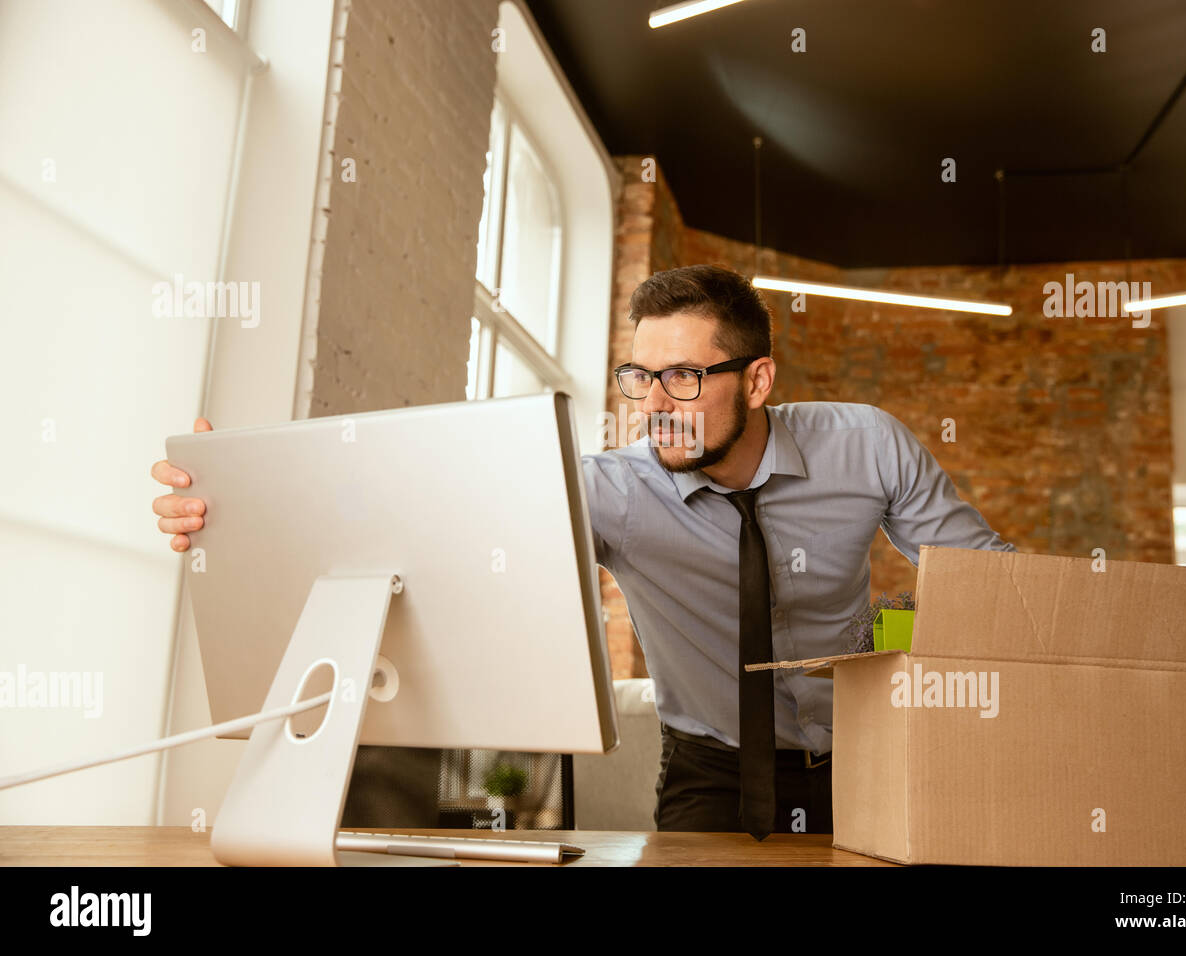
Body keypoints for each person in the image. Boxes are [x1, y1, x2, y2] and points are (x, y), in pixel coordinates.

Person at [151, 263, 1016, 839]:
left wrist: (917, 664)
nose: (653, 403)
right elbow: (422, 524)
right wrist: (238, 507)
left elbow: (987, 583)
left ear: (756, 380)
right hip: (712, 772)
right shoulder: (609, 490)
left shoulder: (864, 446)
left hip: (873, 757)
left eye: (683, 376)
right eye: (638, 377)